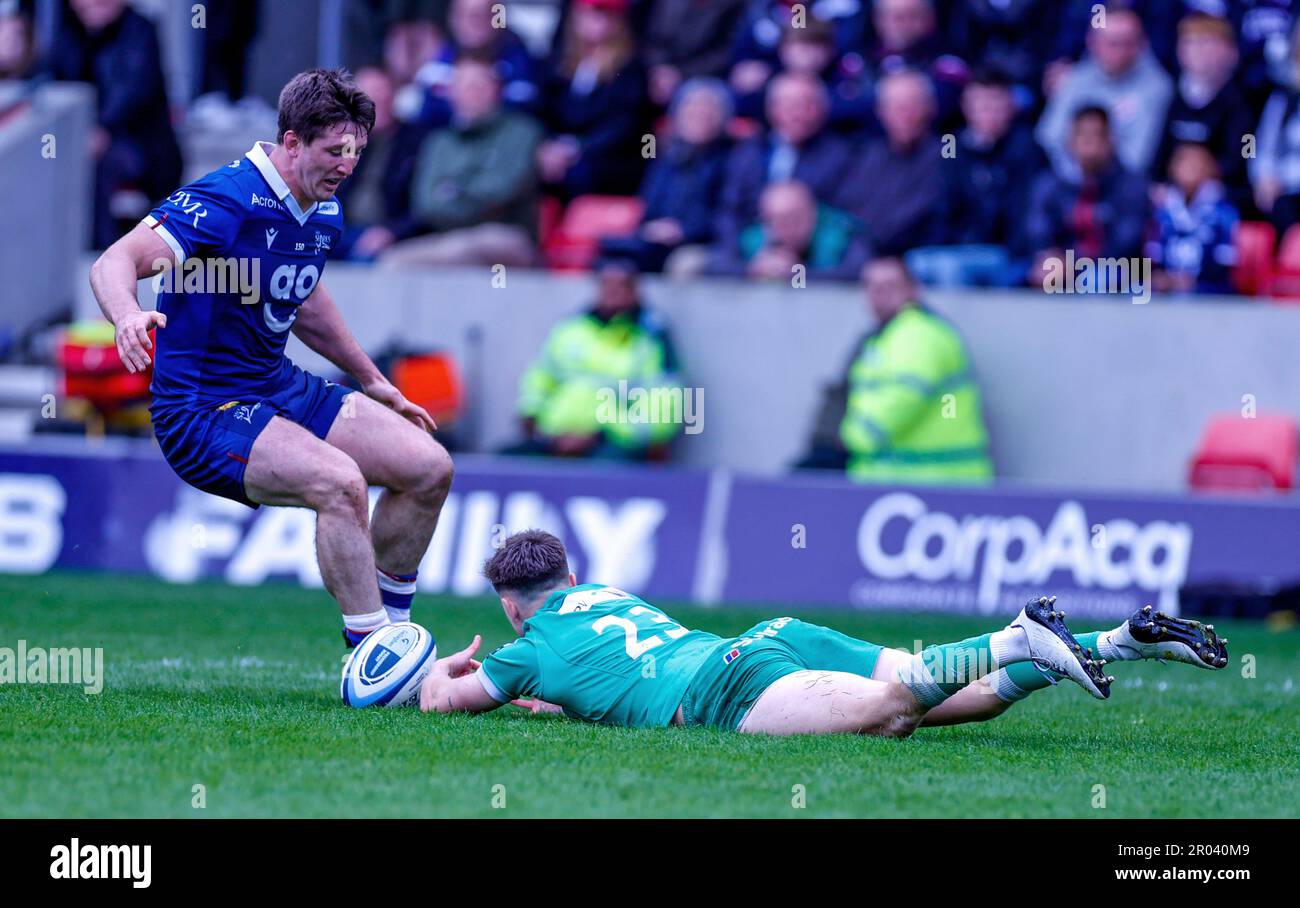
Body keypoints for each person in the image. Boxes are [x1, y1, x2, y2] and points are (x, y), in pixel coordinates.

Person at [88, 69, 454, 650]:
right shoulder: (227, 198)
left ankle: (395, 634)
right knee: (340, 483)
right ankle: (373, 653)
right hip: (203, 408)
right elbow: (115, 259)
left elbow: (302, 297)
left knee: (428, 467)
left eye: (356, 151)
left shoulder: (322, 206)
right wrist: (128, 315)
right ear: (291, 142)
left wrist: (372, 379)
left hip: (278, 387)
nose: (347, 165)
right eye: (334, 150)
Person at [418, 530, 1228, 734]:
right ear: (570, 575)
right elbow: (599, 680)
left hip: (722, 687)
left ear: (513, 604)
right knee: (964, 700)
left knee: (892, 712)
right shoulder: (602, 593)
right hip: (768, 640)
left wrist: (430, 669)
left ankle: (1019, 636)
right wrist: (554, 704)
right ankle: (1117, 641)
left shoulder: (528, 648)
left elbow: (445, 707)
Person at [506, 257, 683, 461]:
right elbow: (541, 376)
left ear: (635, 291)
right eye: (606, 284)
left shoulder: (650, 338)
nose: (612, 292)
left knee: (609, 468)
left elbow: (662, 402)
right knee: (508, 458)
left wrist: (600, 435)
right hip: (554, 439)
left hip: (614, 444)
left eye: (621, 285)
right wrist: (531, 414)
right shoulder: (571, 328)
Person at [40, 0, 183, 249]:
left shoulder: (140, 31)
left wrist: (102, 128)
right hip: (82, 135)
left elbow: (135, 91)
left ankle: (99, 249)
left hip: (140, 144)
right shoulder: (69, 34)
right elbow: (52, 80)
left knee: (102, 161)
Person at [839, 257, 992, 484]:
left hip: (935, 482)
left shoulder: (917, 334)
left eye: (891, 286)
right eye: (872, 286)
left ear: (914, 289)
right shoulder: (882, 336)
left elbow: (902, 398)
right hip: (904, 479)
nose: (880, 294)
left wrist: (847, 439)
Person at [380, 59, 541, 268]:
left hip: (507, 234)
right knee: (392, 261)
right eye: (464, 86)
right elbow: (426, 203)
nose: (472, 93)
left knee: (464, 251)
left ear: (496, 90)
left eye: (479, 85)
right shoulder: (439, 141)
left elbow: (501, 191)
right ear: (452, 94)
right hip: (447, 236)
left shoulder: (521, 132)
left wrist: (454, 190)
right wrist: (471, 191)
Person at [1035, 5, 1172, 176]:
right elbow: (1051, 137)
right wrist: (1077, 177)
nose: (1121, 51)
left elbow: (1137, 158)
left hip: (1122, 185)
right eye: (1113, 43)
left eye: (1128, 43)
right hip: (1069, 180)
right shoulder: (1077, 77)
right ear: (1093, 43)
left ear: (1142, 43)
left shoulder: (1157, 86)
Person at [704, 180, 869, 282]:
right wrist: (752, 270)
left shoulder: (841, 234)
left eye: (795, 217)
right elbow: (713, 266)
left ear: (813, 214)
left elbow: (857, 272)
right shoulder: (753, 238)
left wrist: (796, 273)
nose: (788, 227)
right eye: (777, 220)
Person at [1147, 141, 1239, 295]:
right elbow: (1155, 257)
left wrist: (1193, 281)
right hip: (1168, 288)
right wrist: (1163, 278)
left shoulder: (1223, 212)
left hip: (1209, 288)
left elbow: (1225, 265)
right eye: (1184, 161)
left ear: (1211, 169)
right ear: (1172, 168)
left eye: (1198, 163)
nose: (1190, 168)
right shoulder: (1163, 211)